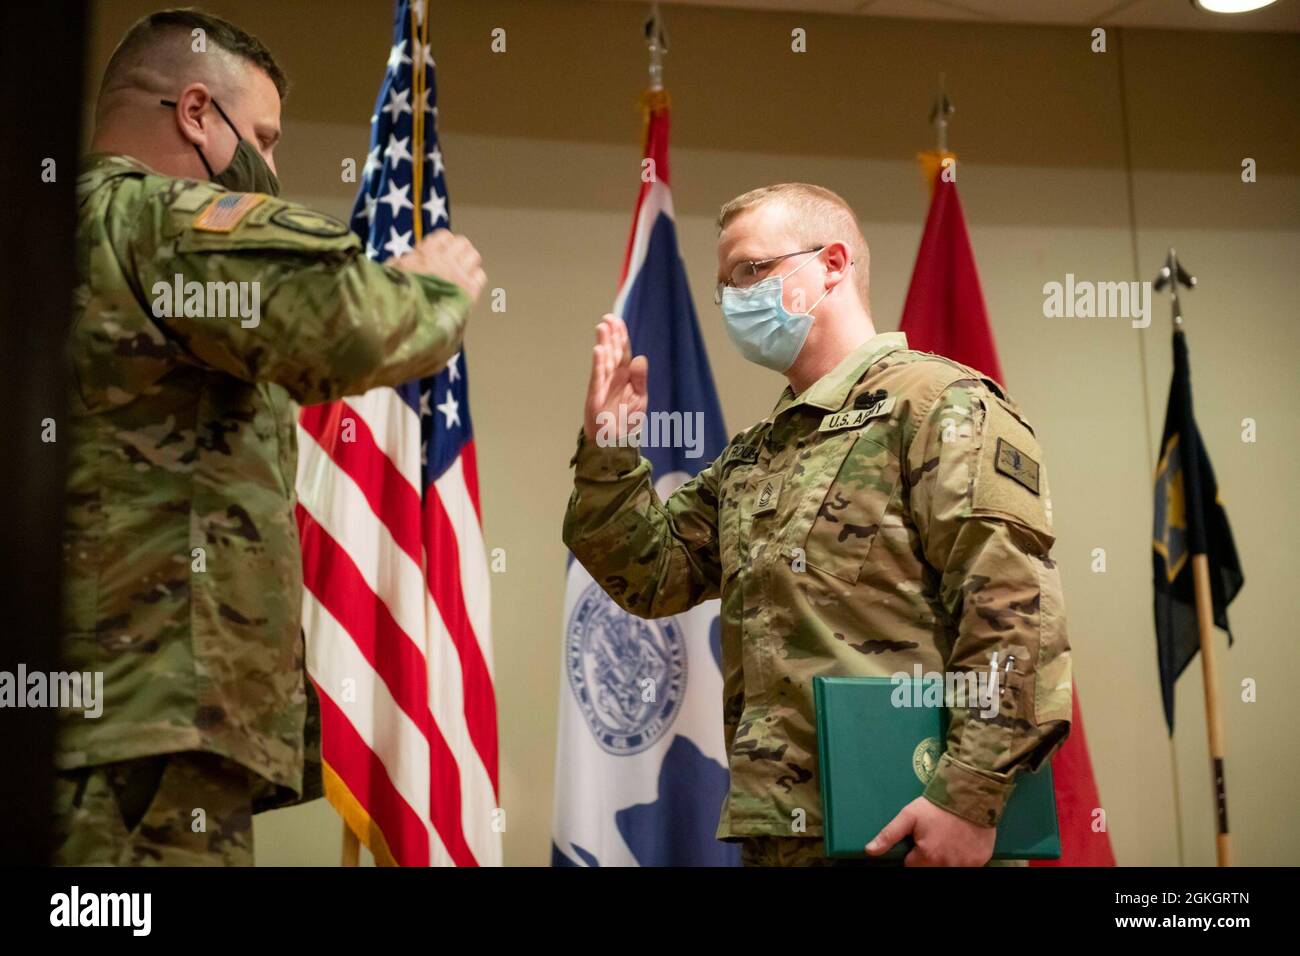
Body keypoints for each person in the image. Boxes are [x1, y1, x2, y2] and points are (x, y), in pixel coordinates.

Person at [55, 8, 485, 865]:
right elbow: (343, 325)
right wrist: (435, 291)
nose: (272, 166)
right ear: (195, 114)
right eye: (264, 135)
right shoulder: (159, 219)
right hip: (148, 731)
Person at [563, 183, 1072, 867]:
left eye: (751, 271)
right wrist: (608, 454)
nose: (736, 300)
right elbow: (649, 575)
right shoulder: (755, 454)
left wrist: (969, 797)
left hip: (915, 831)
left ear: (832, 263)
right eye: (725, 287)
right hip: (782, 841)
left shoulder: (939, 408)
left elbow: (1015, 620)